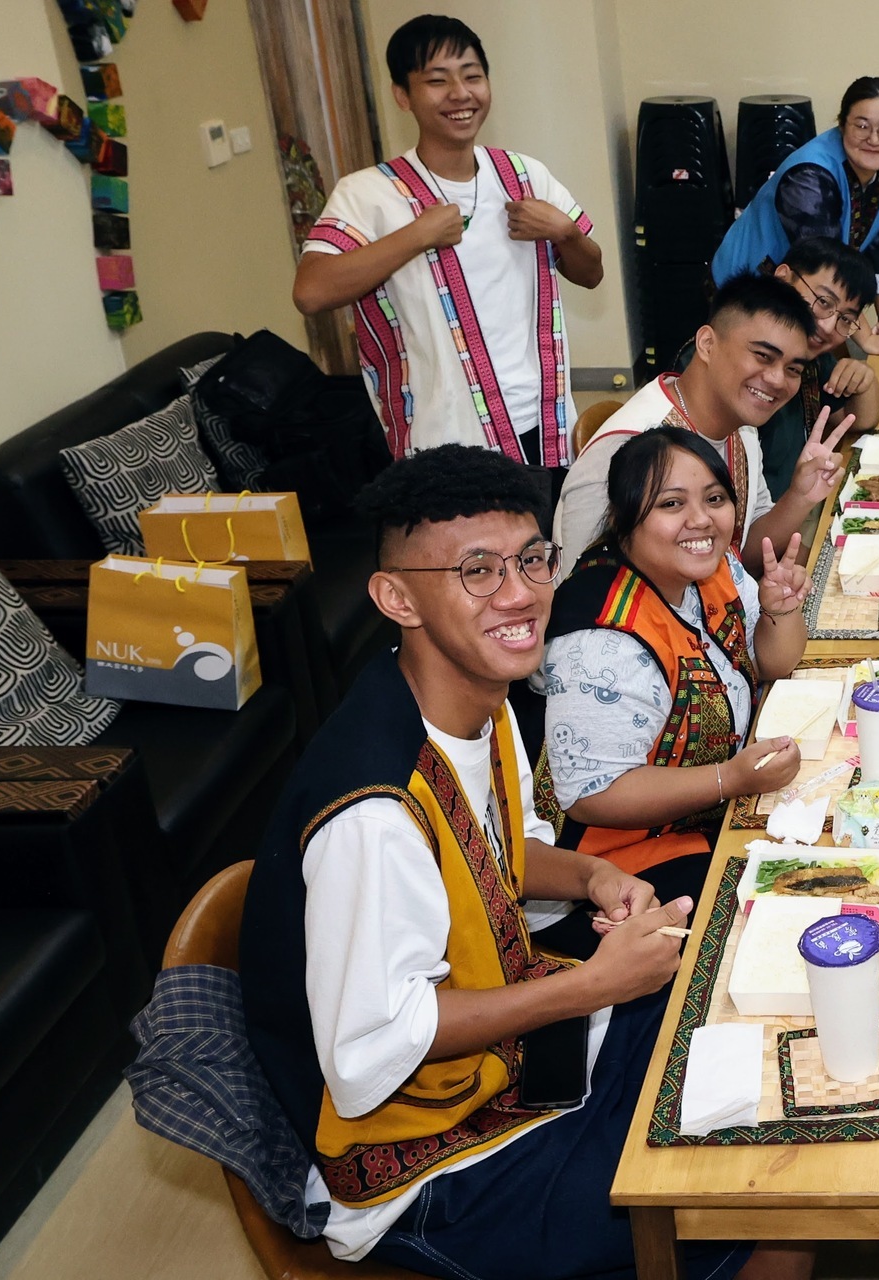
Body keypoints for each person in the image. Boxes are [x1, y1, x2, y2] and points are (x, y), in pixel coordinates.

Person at [238, 445, 807, 1280]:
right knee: (764, 1187)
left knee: (749, 1034)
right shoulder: (373, 812)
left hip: (515, 1067)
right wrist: (591, 987)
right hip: (431, 1170)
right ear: (397, 596)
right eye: (476, 571)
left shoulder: (473, 704)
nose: (521, 594)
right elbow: (368, 1053)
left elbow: (489, 857)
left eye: (532, 560)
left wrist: (591, 877)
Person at [293, 15, 602, 466]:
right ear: (403, 96)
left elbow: (591, 274)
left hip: (541, 419)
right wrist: (417, 235)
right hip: (441, 437)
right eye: (437, 81)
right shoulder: (367, 193)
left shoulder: (523, 174)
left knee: (547, 538)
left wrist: (565, 232)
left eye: (473, 76)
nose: (461, 93)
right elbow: (311, 291)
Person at [542, 428, 811, 906]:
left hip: (716, 811)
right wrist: (729, 779)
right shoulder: (602, 636)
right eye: (671, 504)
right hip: (614, 866)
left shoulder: (712, 567)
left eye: (714, 498)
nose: (701, 520)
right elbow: (593, 794)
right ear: (625, 518)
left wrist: (781, 609)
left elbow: (773, 661)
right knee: (783, 897)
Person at [554, 275, 853, 577]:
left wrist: (799, 496)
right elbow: (579, 591)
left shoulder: (743, 430)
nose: (777, 380)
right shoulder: (621, 453)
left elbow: (742, 554)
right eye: (763, 356)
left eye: (793, 369)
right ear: (707, 344)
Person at [711, 77, 879, 357]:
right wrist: (867, 340)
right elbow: (827, 269)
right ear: (842, 124)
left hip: (814, 300)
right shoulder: (809, 176)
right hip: (747, 292)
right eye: (862, 126)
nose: (874, 139)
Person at [692, 237, 879, 500]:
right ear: (783, 277)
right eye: (824, 302)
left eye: (845, 319)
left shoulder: (812, 360)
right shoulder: (721, 359)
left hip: (779, 516)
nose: (827, 326)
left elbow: (860, 419)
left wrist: (865, 378)